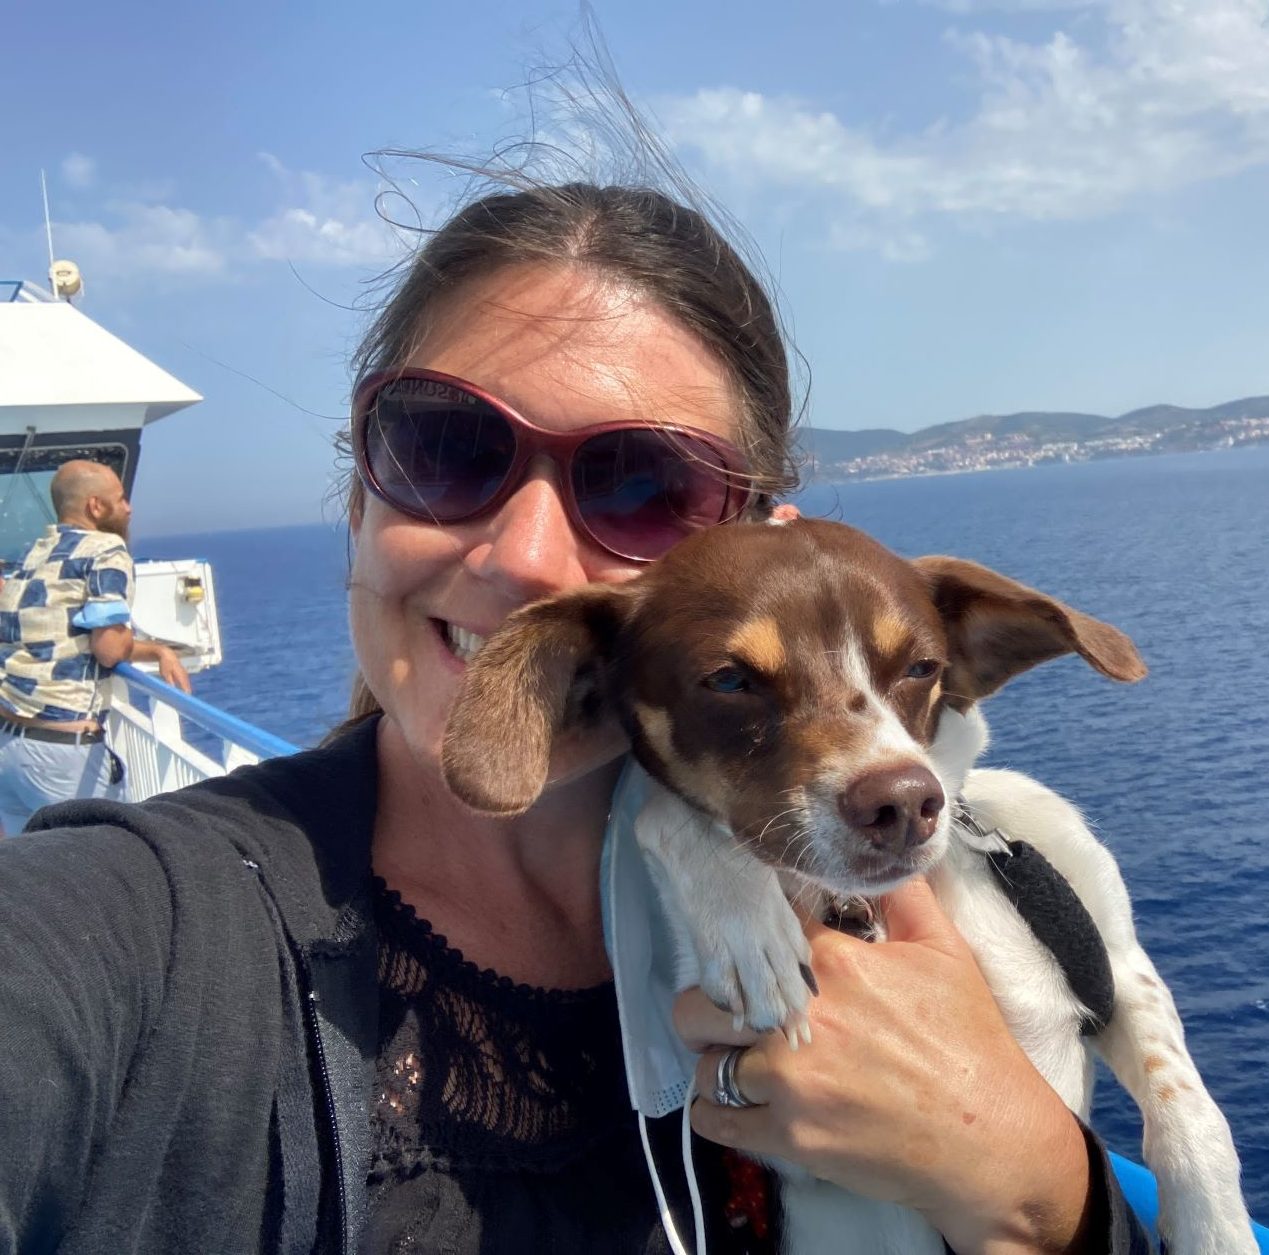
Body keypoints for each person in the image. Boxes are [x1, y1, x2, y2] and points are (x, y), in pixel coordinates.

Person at [0, 182, 1151, 1254]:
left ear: (775, 551)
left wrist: (1043, 1184)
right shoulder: (132, 931)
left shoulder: (893, 922)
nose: (527, 560)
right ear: (358, 497)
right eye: (445, 449)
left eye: (645, 483)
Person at [0, 459, 190, 836]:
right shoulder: (107, 550)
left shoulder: (35, 554)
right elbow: (108, 649)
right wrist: (155, 648)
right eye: (121, 499)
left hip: (9, 744)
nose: (129, 507)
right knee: (111, 872)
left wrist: (155, 651)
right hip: (62, 752)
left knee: (32, 876)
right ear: (95, 507)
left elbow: (71, 634)